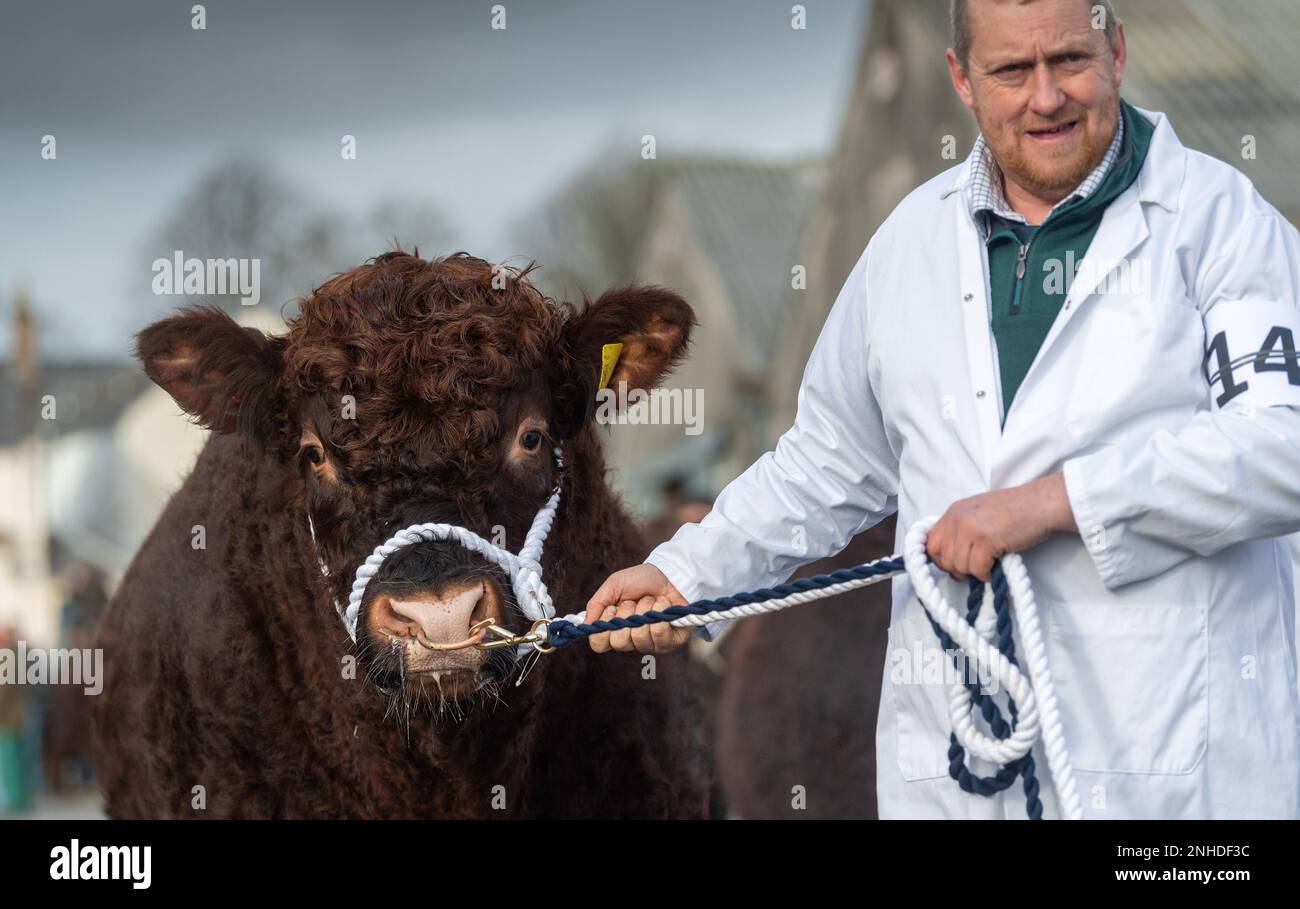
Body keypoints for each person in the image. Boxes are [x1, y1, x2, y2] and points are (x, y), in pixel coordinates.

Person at [583, 0, 1300, 819]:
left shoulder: (1223, 225)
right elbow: (824, 464)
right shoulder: (907, 246)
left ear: (1118, 51)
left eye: (1069, 60)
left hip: (1182, 790)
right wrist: (687, 572)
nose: (1046, 98)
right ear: (961, 78)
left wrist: (1053, 502)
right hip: (958, 782)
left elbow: (1282, 447)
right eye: (1010, 71)